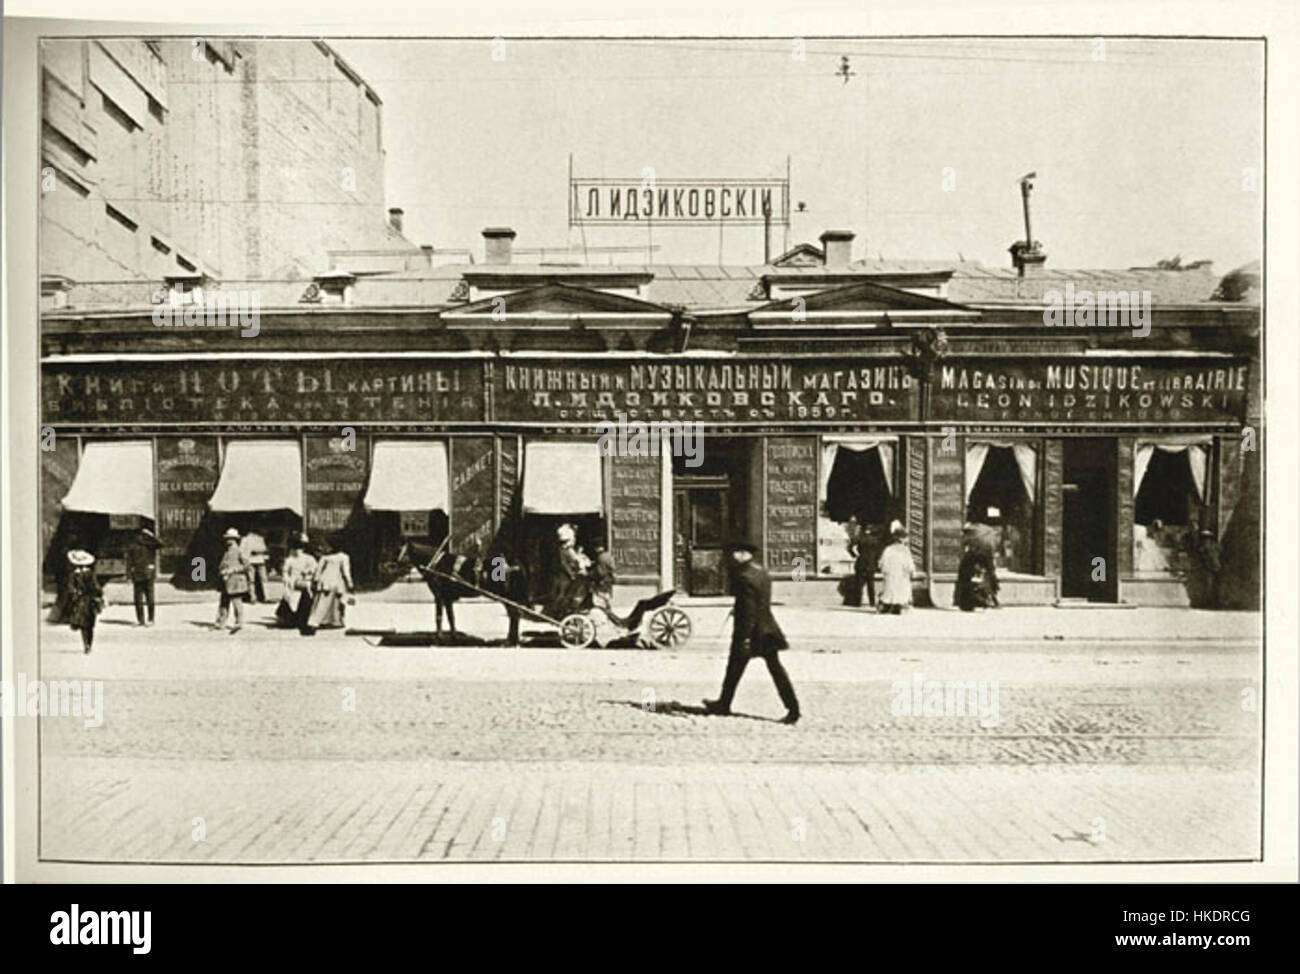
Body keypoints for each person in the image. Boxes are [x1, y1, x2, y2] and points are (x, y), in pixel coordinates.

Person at [703, 540, 800, 725]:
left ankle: (724, 704)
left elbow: (748, 609)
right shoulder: (761, 571)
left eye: (735, 552)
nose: (732, 556)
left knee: (734, 668)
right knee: (775, 670)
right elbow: (758, 601)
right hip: (767, 628)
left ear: (742, 554)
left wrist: (745, 638)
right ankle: (793, 709)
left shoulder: (743, 576)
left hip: (751, 632)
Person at [305, 536, 354, 632]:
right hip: (337, 582)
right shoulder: (344, 557)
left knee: (321, 602)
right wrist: (350, 583)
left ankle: (318, 621)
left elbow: (318, 571)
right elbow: (345, 572)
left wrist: (315, 581)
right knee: (336, 603)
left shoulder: (325, 557)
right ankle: (328, 621)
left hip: (324, 582)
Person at [545, 523, 592, 619]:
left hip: (566, 575)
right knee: (566, 595)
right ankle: (561, 612)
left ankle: (560, 612)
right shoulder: (567, 550)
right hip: (567, 576)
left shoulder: (564, 549)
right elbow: (573, 561)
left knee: (563, 595)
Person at [65, 549, 104, 654]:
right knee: (88, 625)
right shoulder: (90, 574)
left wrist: (75, 593)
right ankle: (88, 644)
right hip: (89, 602)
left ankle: (86, 644)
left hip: (80, 601)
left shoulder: (74, 574)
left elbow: (70, 587)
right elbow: (97, 588)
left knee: (84, 625)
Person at [955, 525, 1000, 612]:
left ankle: (962, 600)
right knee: (991, 575)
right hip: (986, 557)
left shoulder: (971, 536)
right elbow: (991, 557)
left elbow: (963, 549)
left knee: (964, 576)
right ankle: (993, 597)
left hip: (972, 557)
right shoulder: (990, 539)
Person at [277, 533, 317, 630]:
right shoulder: (290, 560)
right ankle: (289, 620)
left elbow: (314, 568)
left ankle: (303, 620)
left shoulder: (309, 558)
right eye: (295, 548)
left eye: (299, 548)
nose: (296, 551)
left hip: (304, 581)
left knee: (305, 601)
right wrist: (286, 579)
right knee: (289, 600)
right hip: (292, 583)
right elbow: (285, 571)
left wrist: (308, 572)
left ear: (303, 549)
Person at [124, 527, 161, 627]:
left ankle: (141, 620)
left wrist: (128, 576)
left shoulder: (133, 546)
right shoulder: (149, 545)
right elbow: (160, 544)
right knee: (149, 598)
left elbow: (128, 562)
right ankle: (150, 619)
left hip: (138, 574)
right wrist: (152, 535)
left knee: (138, 599)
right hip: (147, 574)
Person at [215, 527, 250, 632]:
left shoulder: (239, 551)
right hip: (226, 581)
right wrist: (222, 571)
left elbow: (247, 566)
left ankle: (238, 622)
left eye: (229, 538)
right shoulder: (227, 551)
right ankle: (221, 623)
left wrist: (233, 570)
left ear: (234, 539)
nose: (227, 540)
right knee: (224, 602)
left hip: (235, 581)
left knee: (236, 602)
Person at [877, 520, 915, 615]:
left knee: (890, 589)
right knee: (901, 589)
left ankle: (887, 605)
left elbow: (882, 562)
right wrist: (911, 571)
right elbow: (908, 564)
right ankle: (899, 606)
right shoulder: (904, 550)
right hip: (901, 575)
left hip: (891, 574)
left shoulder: (888, 549)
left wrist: (884, 571)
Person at [845, 520, 882, 608]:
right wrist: (876, 561)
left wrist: (854, 555)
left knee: (859, 584)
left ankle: (857, 602)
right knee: (871, 584)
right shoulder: (875, 540)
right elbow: (879, 553)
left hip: (861, 562)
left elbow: (849, 547)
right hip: (871, 564)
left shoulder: (859, 538)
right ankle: (872, 602)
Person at [1194, 528, 1223, 609]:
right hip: (1214, 567)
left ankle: (1208, 603)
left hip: (1209, 568)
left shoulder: (1204, 547)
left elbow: (1201, 557)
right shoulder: (1216, 545)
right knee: (1211, 586)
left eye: (1206, 537)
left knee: (1208, 586)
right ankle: (1212, 603)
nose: (1205, 539)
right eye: (1204, 538)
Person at [240, 528, 270, 603]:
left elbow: (264, 548)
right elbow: (264, 548)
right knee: (255, 580)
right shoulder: (253, 539)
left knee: (255, 580)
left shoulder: (257, 538)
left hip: (256, 560)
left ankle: (260, 596)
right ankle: (256, 597)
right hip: (253, 560)